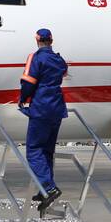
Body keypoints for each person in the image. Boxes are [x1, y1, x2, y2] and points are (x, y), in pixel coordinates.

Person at [18, 27, 69, 210]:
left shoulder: (36, 57)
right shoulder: (58, 59)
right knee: (47, 151)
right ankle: (44, 190)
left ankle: (49, 187)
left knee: (34, 150)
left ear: (37, 39)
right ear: (51, 40)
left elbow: (28, 82)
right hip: (57, 109)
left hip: (41, 108)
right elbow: (63, 71)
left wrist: (22, 99)